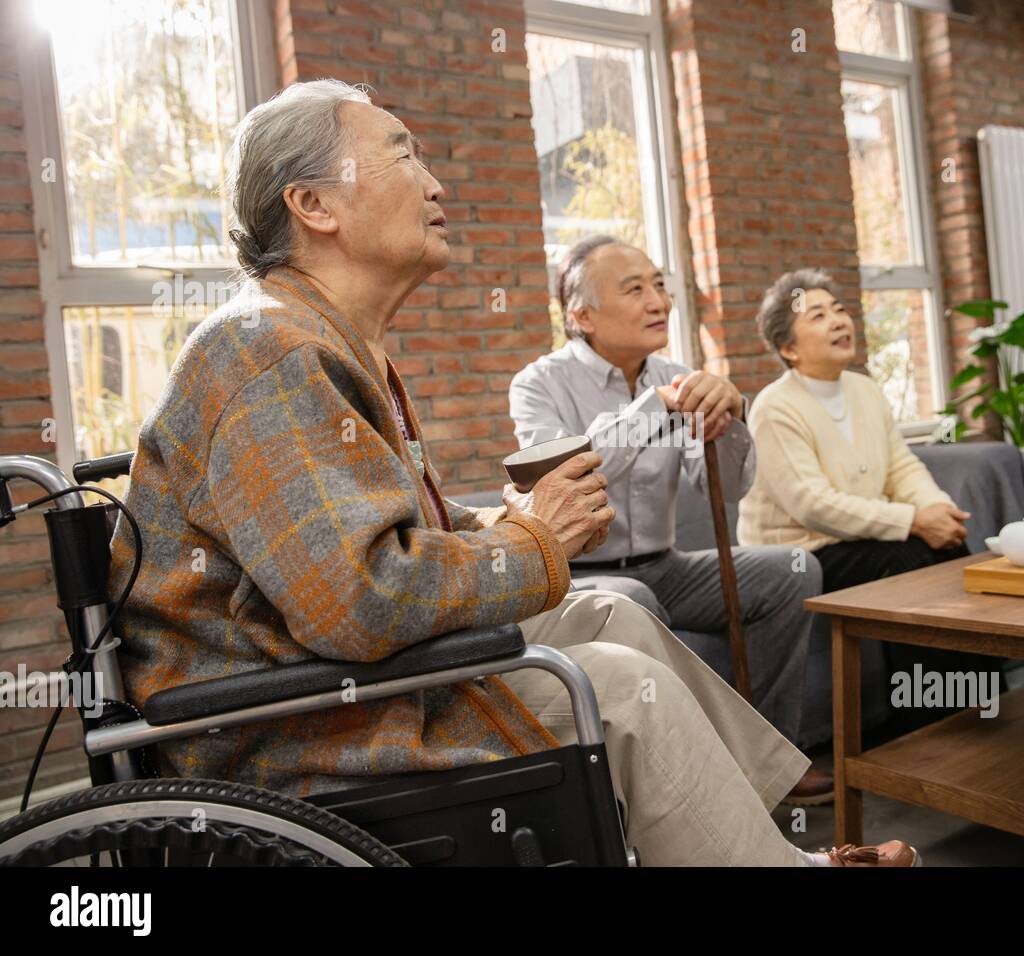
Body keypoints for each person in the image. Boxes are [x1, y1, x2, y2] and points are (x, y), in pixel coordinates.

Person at [107, 81, 911, 865]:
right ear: (314, 206)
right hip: (291, 727)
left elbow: (371, 533)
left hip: (339, 678)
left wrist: (487, 524)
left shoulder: (323, 340)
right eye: (403, 156)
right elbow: (361, 601)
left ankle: (764, 847)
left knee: (615, 618)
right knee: (620, 686)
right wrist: (533, 539)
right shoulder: (269, 351)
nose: (435, 182)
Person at [509, 235, 832, 805]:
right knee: (630, 596)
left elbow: (726, 488)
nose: (657, 299)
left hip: (669, 565)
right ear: (581, 314)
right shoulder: (540, 384)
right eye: (634, 289)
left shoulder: (680, 374)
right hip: (580, 577)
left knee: (792, 572)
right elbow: (563, 475)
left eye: (660, 284)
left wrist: (728, 420)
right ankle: (700, 780)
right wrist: (655, 407)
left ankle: (771, 759)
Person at [739, 268, 1000, 736]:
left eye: (839, 309)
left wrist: (936, 509)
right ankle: (922, 727)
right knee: (909, 561)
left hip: (861, 538)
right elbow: (813, 505)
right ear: (789, 347)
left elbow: (902, 467)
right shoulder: (774, 408)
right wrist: (912, 521)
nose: (839, 320)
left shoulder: (864, 389)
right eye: (817, 315)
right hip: (801, 554)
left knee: (953, 550)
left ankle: (979, 705)